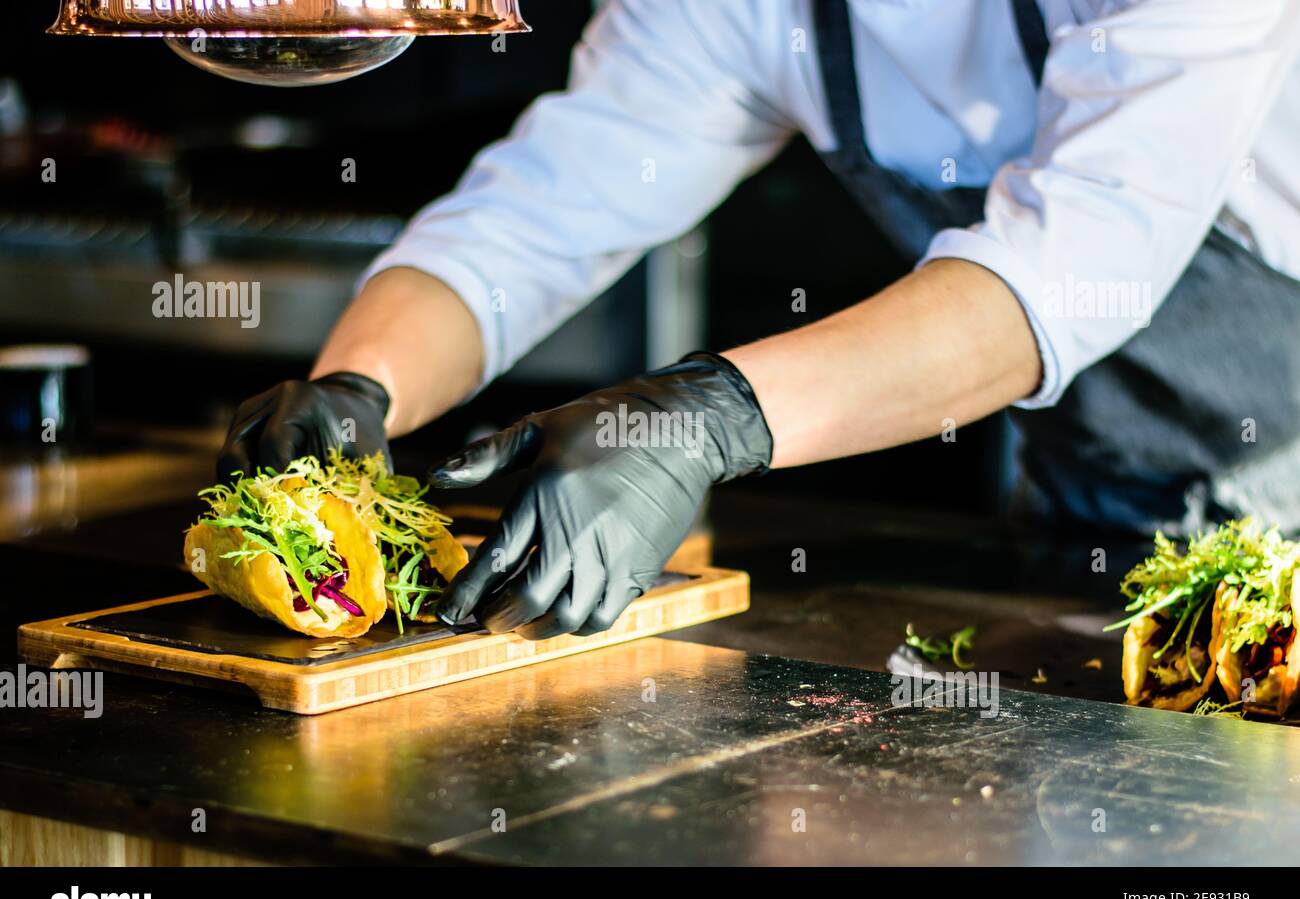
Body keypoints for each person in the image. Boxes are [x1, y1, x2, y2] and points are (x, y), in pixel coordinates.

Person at [218, 0, 1300, 637]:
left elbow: (1073, 265)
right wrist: (360, 385)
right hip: (1091, 522)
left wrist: (709, 417)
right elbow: (536, 211)